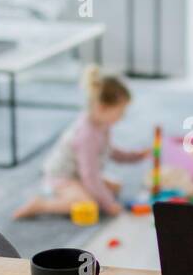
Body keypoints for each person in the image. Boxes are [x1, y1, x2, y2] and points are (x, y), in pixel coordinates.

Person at [13, 66, 149, 220]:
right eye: (120, 112)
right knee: (89, 203)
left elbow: (109, 150)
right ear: (102, 108)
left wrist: (135, 156)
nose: (122, 116)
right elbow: (90, 175)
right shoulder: (87, 135)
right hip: (63, 177)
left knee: (115, 186)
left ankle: (82, 191)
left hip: (80, 174)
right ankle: (41, 204)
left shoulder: (102, 124)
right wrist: (108, 204)